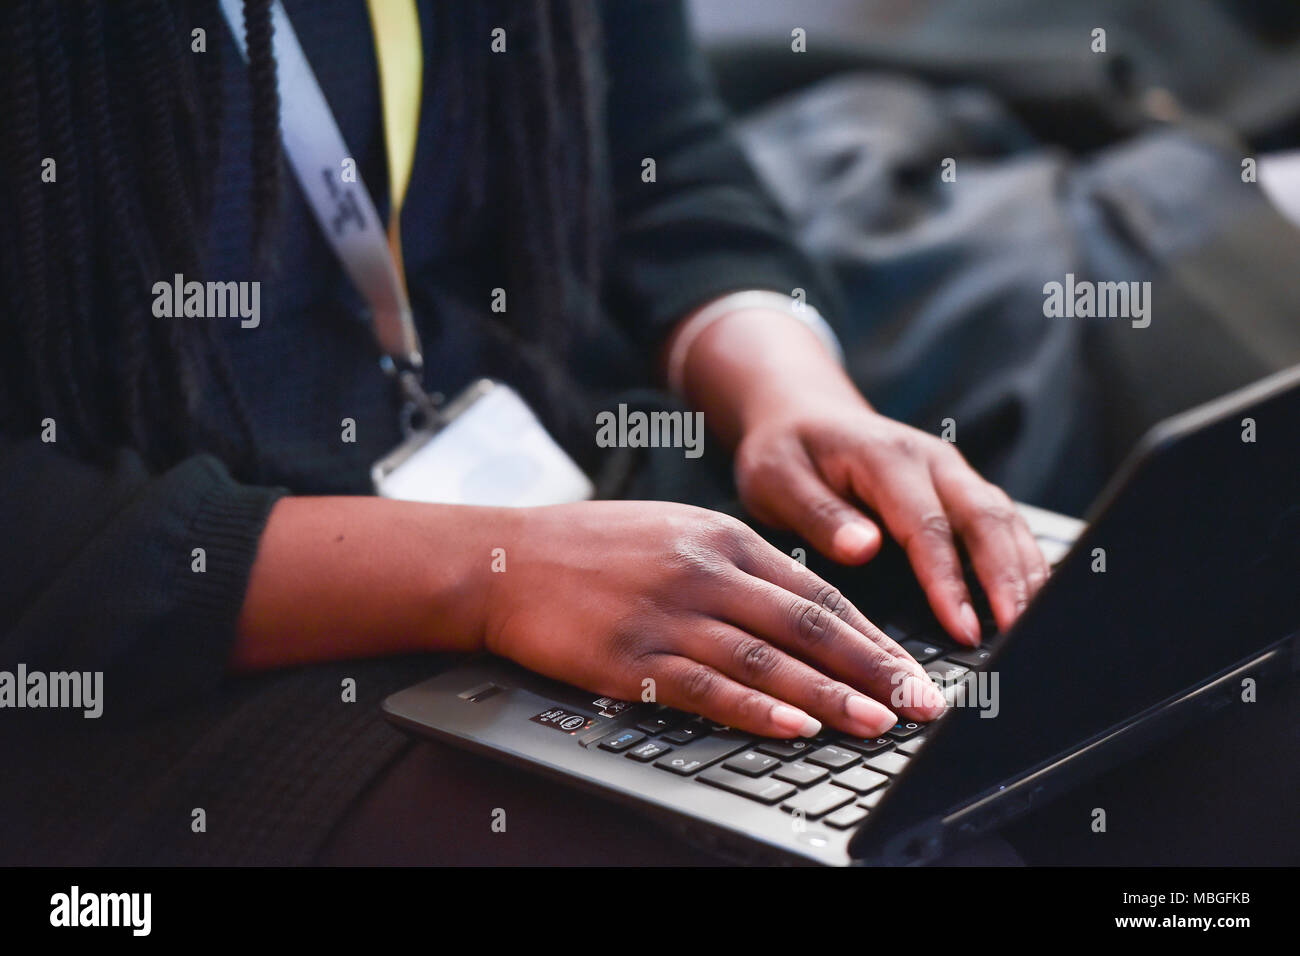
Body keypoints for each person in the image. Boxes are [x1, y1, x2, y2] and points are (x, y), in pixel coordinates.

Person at [0, 0, 1051, 865]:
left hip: (575, 492)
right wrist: (489, 573)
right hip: (154, 657)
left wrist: (793, 395)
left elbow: (660, 155)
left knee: (1079, 729)